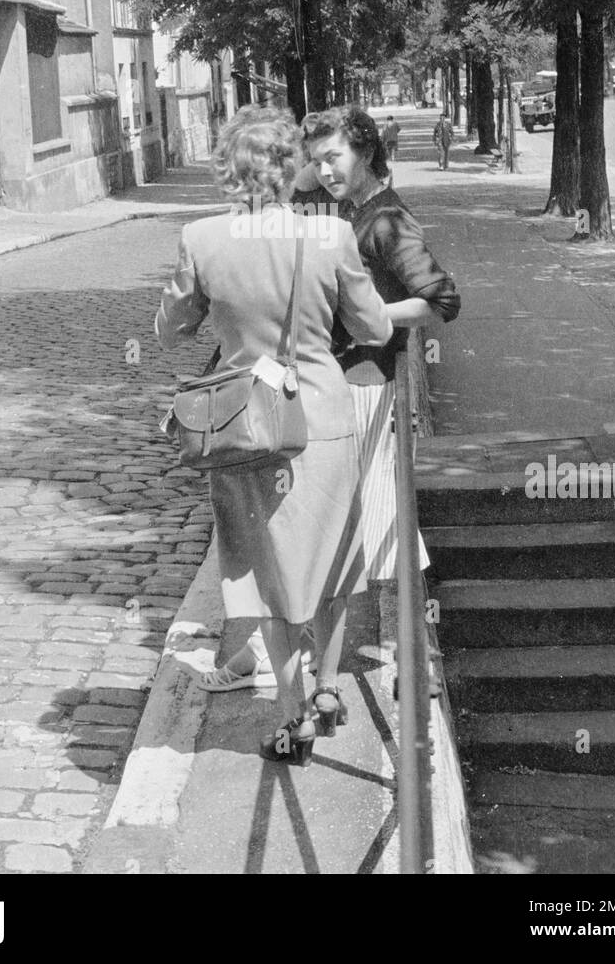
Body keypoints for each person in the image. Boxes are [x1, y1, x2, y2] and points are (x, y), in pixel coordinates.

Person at [156, 105, 392, 765]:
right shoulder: (331, 237)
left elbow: (171, 330)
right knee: (334, 559)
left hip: (249, 425)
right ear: (293, 172)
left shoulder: (201, 239)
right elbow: (374, 332)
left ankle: (289, 714)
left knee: (267, 572)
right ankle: (327, 685)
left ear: (228, 171)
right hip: (323, 420)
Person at [204, 105, 460, 693]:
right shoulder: (349, 212)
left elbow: (442, 300)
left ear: (366, 152)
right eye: (316, 161)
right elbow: (291, 195)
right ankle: (388, 659)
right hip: (346, 386)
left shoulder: (387, 219)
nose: (323, 170)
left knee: (378, 523)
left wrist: (360, 321)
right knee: (350, 524)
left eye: (334, 157)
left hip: (367, 389)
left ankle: (412, 661)